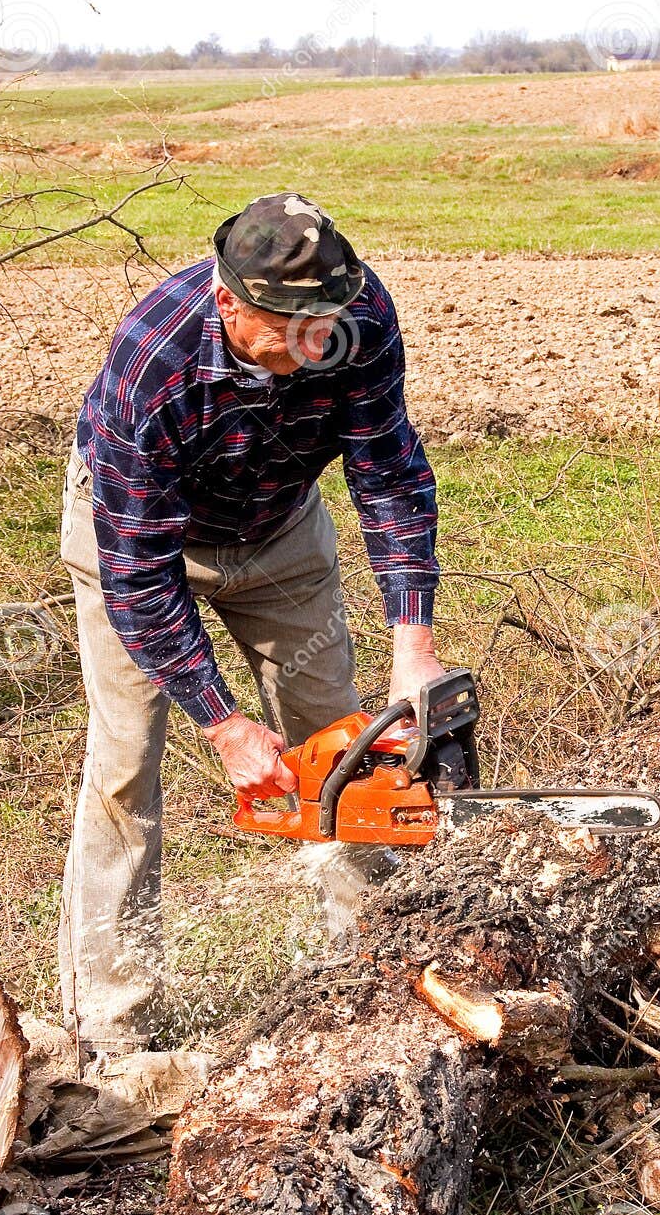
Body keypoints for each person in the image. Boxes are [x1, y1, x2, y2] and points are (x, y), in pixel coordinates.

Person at [59, 191, 442, 1068]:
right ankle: (110, 1028)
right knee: (125, 765)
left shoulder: (360, 315)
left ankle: (369, 969)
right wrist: (224, 722)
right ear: (231, 302)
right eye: (293, 329)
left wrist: (413, 646)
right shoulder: (151, 364)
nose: (318, 349)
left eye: (329, 325)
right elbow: (138, 578)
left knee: (342, 736)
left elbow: (387, 474)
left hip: (278, 525)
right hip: (141, 538)